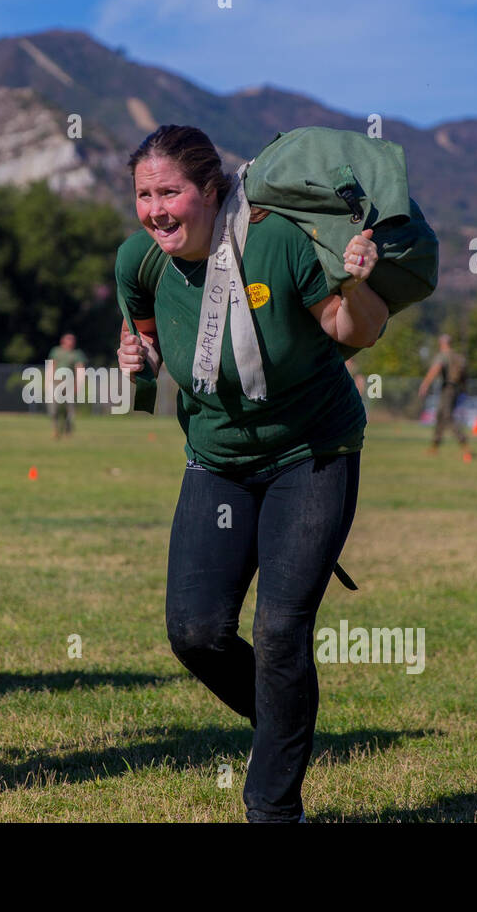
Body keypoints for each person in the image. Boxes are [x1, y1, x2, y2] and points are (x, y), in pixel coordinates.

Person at [115, 125, 388, 822]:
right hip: (219, 461)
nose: (156, 209)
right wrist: (136, 358)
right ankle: (286, 726)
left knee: (278, 632)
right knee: (196, 632)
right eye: (144, 195)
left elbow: (353, 329)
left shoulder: (274, 242)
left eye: (170, 192)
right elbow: (143, 330)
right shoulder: (137, 261)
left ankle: (274, 808)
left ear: (211, 191)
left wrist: (357, 284)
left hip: (310, 452)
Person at [417, 334, 471, 459]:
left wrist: (425, 384)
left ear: (442, 343)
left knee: (447, 417)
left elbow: (435, 369)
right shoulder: (457, 357)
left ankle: (464, 445)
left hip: (447, 389)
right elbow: (465, 375)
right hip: (456, 389)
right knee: (440, 416)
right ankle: (434, 446)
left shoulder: (443, 355)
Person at [46, 332, 87, 437]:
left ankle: (68, 430)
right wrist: (48, 382)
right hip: (56, 384)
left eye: (73, 340)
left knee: (69, 410)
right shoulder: (56, 351)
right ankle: (55, 429)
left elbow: (80, 369)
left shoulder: (77, 354)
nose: (71, 342)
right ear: (63, 341)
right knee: (53, 409)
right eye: (69, 340)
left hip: (69, 385)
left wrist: (78, 385)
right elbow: (52, 366)